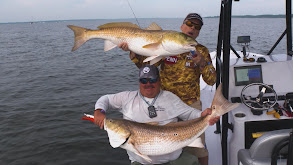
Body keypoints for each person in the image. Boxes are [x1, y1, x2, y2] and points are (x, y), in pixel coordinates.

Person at [118, 13, 217, 165]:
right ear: (182, 25)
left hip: (190, 104)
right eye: (189, 24)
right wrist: (132, 50)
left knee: (198, 148)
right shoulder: (165, 44)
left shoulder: (201, 51)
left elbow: (211, 81)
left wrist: (203, 63)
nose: (192, 28)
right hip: (166, 105)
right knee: (168, 147)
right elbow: (146, 66)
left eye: (197, 27)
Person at [94, 64, 219, 165]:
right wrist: (99, 111)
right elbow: (105, 99)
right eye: (144, 80)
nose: (148, 84)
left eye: (152, 80)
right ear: (139, 82)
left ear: (159, 81)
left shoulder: (170, 98)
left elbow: (189, 113)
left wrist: (203, 114)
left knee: (192, 161)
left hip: (173, 159)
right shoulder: (127, 98)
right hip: (141, 162)